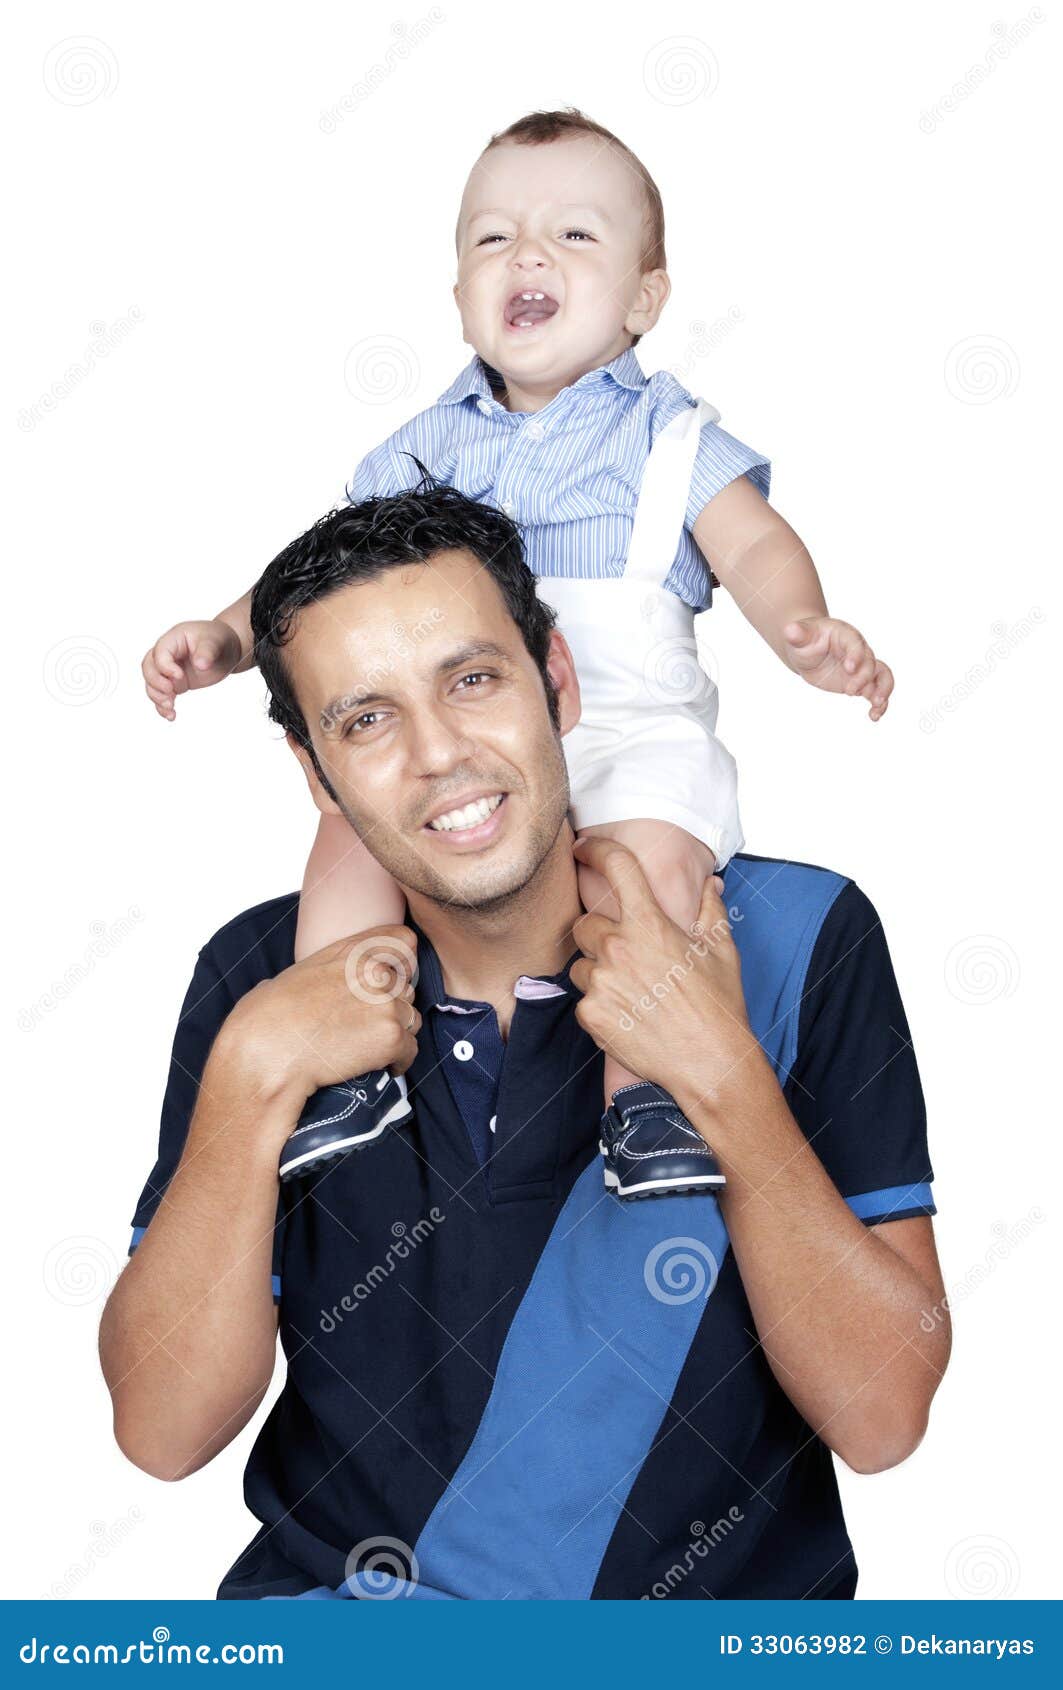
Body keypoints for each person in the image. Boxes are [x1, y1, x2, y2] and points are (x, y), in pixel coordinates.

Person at [102, 483, 949, 1601]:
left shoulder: (796, 937)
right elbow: (162, 1431)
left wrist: (719, 1071)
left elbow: (882, 1418)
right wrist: (255, 1073)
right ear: (315, 773)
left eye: (472, 680)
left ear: (557, 682)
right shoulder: (259, 976)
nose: (439, 753)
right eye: (365, 718)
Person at [140, 109, 893, 1194]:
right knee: (346, 846)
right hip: (450, 743)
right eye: (494, 239)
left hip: (627, 730)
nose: (529, 255)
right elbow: (323, 580)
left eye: (574, 237)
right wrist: (225, 632)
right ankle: (341, 1060)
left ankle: (651, 1100)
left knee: (653, 873)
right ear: (457, 295)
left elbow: (760, 548)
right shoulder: (425, 446)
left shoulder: (669, 438)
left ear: (644, 297)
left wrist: (803, 630)